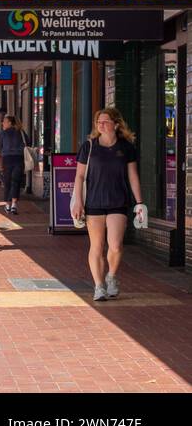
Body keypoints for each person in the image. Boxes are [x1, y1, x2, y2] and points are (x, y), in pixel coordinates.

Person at [70, 107, 145, 301]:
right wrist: (78, 201)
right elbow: (79, 176)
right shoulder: (89, 146)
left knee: (116, 245)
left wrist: (140, 203)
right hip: (93, 202)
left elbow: (133, 176)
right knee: (96, 246)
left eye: (105, 122)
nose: (101, 125)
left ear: (116, 124)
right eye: (98, 122)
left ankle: (111, 276)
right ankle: (99, 286)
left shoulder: (126, 147)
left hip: (118, 201)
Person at [0, 114, 29, 215]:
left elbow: (0, 147)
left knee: (7, 182)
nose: (3, 123)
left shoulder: (3, 133)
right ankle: (14, 205)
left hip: (7, 159)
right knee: (16, 181)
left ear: (10, 123)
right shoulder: (21, 132)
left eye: (5, 121)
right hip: (19, 158)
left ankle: (7, 205)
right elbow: (28, 143)